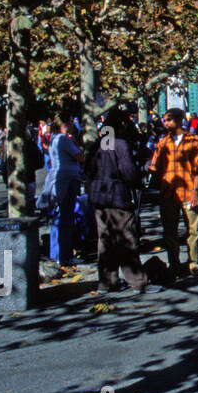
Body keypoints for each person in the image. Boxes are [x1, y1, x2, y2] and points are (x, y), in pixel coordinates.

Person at [86, 108, 150, 293]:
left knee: (105, 239)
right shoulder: (120, 144)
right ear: (121, 124)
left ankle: (107, 281)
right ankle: (137, 281)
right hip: (117, 196)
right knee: (126, 238)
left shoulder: (100, 143)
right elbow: (129, 172)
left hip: (99, 197)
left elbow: (89, 170)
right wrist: (140, 176)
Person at [148, 107, 198, 280]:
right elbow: (154, 167)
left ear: (180, 120)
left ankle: (194, 262)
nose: (165, 123)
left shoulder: (194, 140)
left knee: (193, 231)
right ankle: (174, 264)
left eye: (168, 119)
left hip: (189, 192)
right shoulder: (163, 143)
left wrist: (195, 191)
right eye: (164, 120)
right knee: (170, 231)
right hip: (168, 194)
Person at [43, 113, 86, 266]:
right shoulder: (63, 139)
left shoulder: (54, 139)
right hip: (68, 179)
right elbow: (80, 157)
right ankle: (64, 255)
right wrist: (78, 147)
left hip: (59, 178)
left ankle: (57, 254)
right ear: (66, 123)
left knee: (59, 217)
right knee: (66, 218)